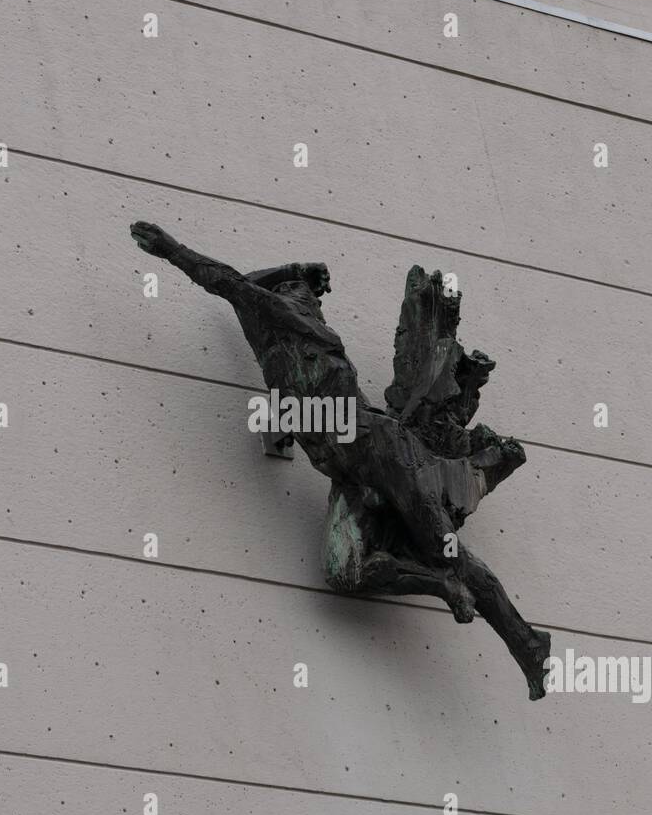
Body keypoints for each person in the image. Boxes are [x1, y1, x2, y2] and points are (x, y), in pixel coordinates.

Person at [130, 221, 550, 699]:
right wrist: (172, 250)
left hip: (385, 454)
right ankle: (443, 588)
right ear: (288, 295)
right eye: (308, 293)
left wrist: (180, 253)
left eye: (312, 297)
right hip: (351, 471)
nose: (316, 303)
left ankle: (526, 644)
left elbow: (236, 284)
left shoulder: (301, 332)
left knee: (445, 549)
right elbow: (229, 280)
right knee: (344, 571)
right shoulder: (276, 320)